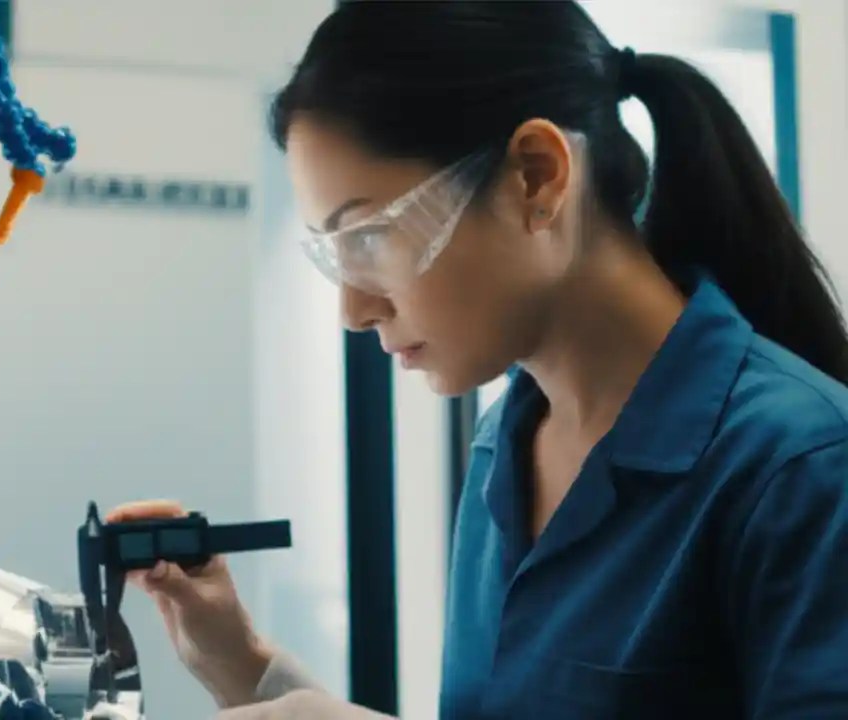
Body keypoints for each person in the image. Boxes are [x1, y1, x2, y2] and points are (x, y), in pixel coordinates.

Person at [114, 1, 848, 717]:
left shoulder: (801, 466)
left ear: (536, 174)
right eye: (334, 256)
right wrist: (244, 667)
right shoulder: (506, 443)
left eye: (368, 237)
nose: (354, 311)